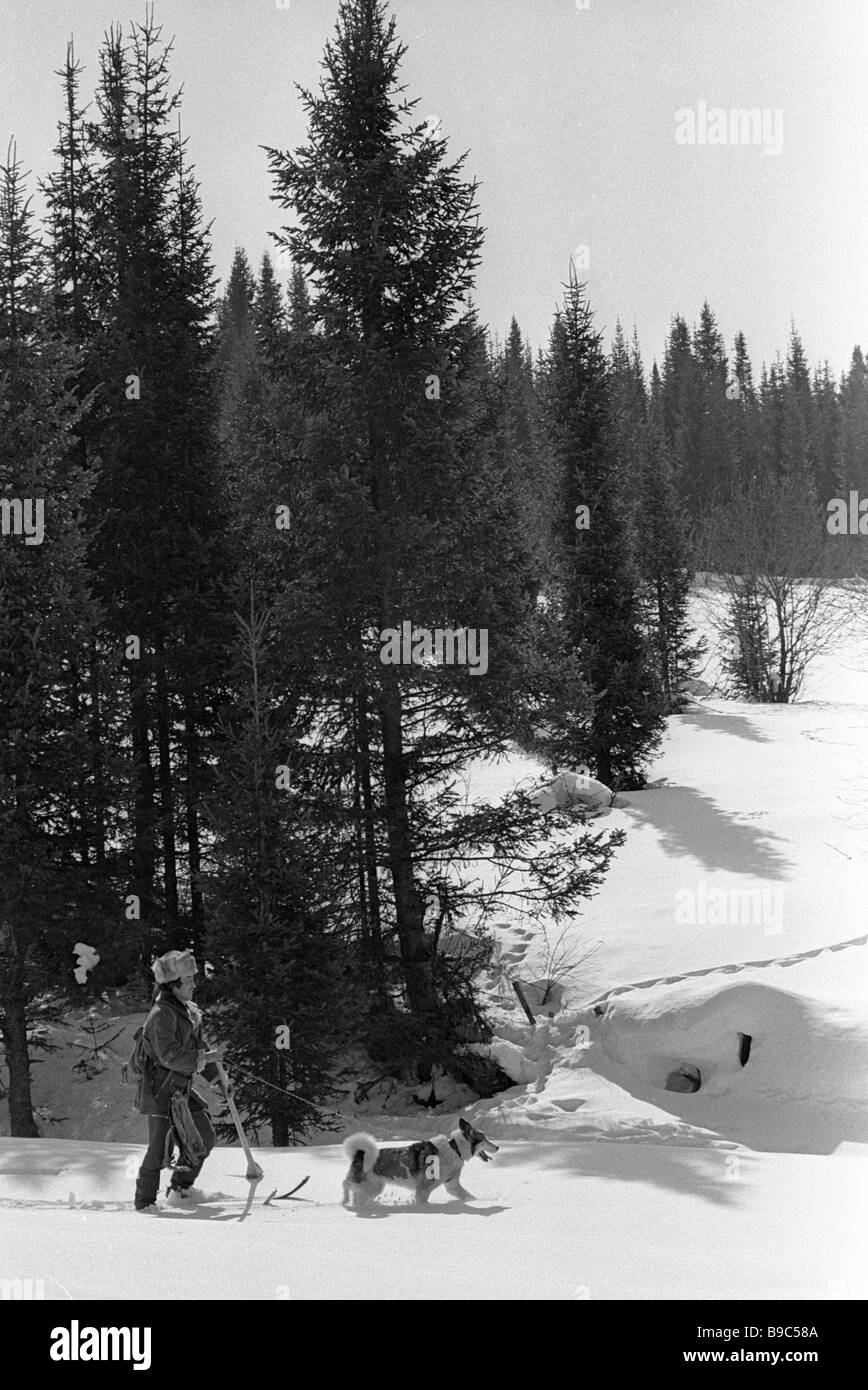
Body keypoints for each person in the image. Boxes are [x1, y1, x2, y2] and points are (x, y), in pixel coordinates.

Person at [133, 949, 228, 1212]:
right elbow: (170, 1056)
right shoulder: (161, 1014)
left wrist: (217, 1078)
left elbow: (198, 1046)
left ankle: (180, 1188)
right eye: (189, 981)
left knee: (204, 1138)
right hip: (160, 1092)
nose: (194, 986)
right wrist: (206, 1058)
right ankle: (144, 1203)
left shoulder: (188, 1011)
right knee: (158, 1150)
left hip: (181, 1091)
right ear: (174, 985)